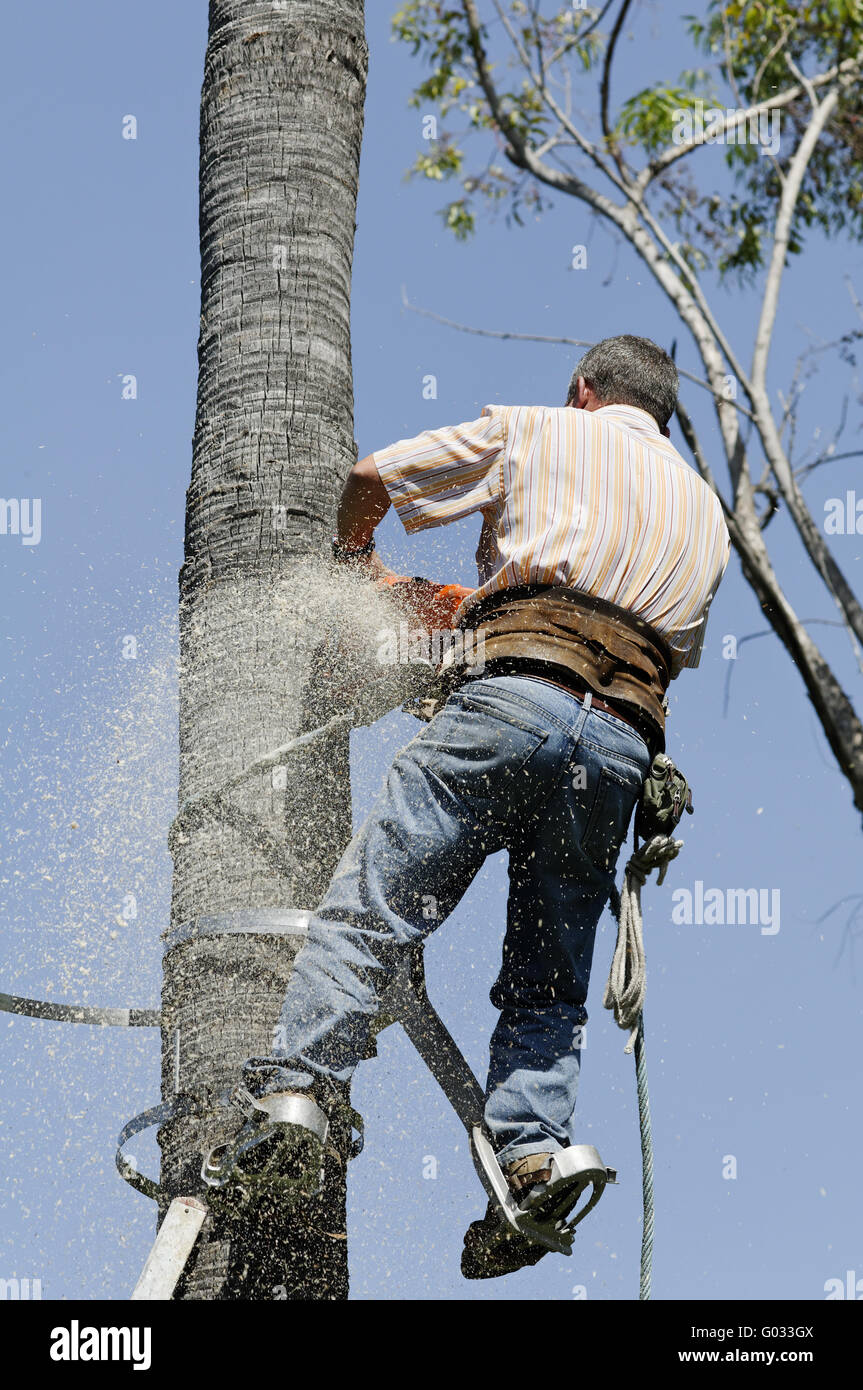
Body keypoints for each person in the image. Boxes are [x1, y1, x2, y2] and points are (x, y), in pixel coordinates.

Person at [230, 334, 731, 1277]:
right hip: (620, 747)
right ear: (657, 411)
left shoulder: (538, 430)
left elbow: (369, 475)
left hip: (511, 705)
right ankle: (533, 1155)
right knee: (549, 984)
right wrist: (477, 621)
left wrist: (354, 564)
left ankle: (298, 1092)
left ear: (584, 390)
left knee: (375, 904)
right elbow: (621, 632)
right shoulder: (707, 514)